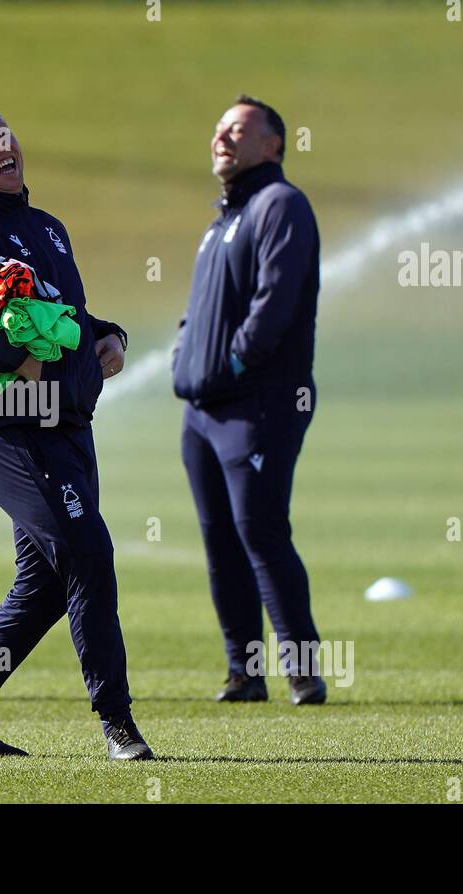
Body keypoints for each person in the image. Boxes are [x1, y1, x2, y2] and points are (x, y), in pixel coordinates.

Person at [0, 102, 153, 759]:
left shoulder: (47, 228)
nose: (1, 143)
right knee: (89, 555)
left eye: (4, 131)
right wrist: (9, 359)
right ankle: (118, 725)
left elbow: (66, 315)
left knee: (44, 585)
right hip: (12, 431)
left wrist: (108, 335)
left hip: (70, 428)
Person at [172, 95, 325, 705]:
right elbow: (201, 312)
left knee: (260, 531)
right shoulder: (222, 221)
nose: (223, 138)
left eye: (238, 129)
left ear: (273, 145)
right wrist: (188, 359)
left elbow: (275, 303)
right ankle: (244, 671)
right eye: (218, 129)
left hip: (258, 402)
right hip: (203, 411)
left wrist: (234, 361)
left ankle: (305, 670)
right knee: (220, 539)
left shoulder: (281, 205)